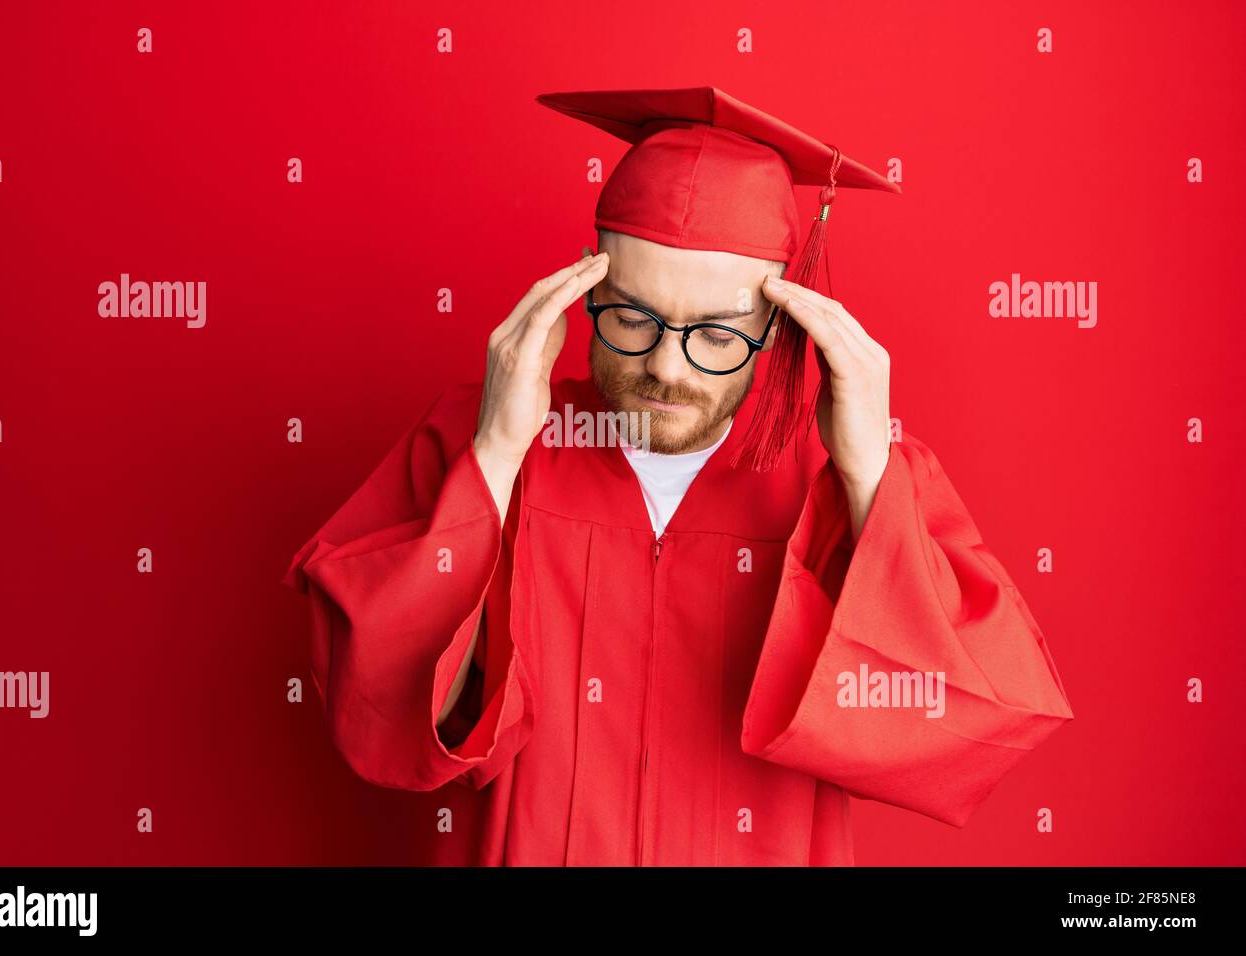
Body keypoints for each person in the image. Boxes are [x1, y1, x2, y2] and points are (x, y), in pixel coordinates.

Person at [282, 87, 1074, 866]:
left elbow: (974, 724)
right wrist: (494, 453)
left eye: (716, 333)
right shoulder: (483, 438)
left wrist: (868, 477)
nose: (665, 366)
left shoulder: (838, 480)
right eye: (632, 317)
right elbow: (376, 712)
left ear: (778, 325)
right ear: (585, 283)